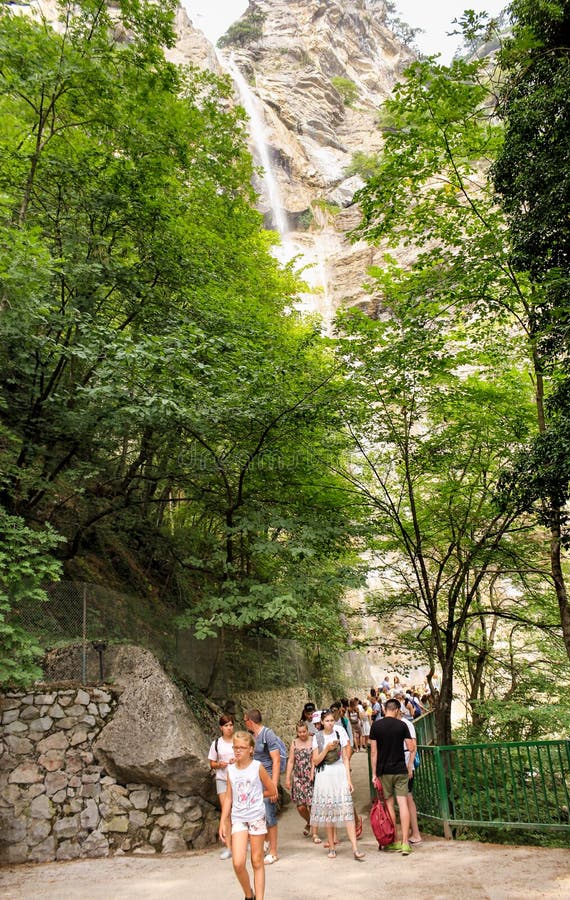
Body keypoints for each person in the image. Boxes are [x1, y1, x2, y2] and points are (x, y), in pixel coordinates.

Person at [219, 730, 278, 900]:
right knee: (238, 862)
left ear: (251, 749)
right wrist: (223, 821)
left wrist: (258, 795)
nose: (238, 751)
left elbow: (271, 790)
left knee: (257, 860)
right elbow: (229, 797)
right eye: (235, 747)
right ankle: (248, 894)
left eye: (242, 748)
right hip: (238, 818)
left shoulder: (257, 767)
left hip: (256, 817)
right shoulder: (231, 770)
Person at [310, 709, 365, 862]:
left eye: (332, 720)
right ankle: (332, 847)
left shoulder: (339, 734)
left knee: (346, 809)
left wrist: (349, 780)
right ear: (321, 722)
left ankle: (355, 848)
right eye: (327, 721)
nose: (330, 723)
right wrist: (327, 748)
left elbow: (346, 758)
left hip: (339, 772)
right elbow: (315, 761)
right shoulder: (317, 737)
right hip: (325, 775)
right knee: (329, 812)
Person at [369, 697, 415, 856]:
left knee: (389, 806)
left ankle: (394, 840)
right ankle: (405, 843)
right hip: (400, 770)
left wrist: (374, 774)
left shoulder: (375, 726)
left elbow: (373, 752)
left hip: (384, 771)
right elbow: (411, 747)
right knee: (403, 804)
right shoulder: (402, 725)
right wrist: (409, 767)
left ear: (384, 708)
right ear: (396, 710)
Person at [244, 708, 281, 864]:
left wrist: (273, 785)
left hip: (267, 780)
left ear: (250, 721)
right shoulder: (253, 736)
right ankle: (265, 844)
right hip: (256, 780)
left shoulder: (268, 734)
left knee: (269, 815)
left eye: (245, 720)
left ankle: (273, 851)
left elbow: (276, 760)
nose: (244, 723)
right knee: (259, 814)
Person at [285, 720, 321, 843]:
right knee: (301, 807)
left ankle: (315, 834)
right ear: (297, 732)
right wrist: (288, 778)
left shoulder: (313, 741)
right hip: (298, 778)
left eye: (304, 731)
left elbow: (314, 759)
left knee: (312, 805)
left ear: (307, 730)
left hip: (310, 777)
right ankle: (310, 822)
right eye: (299, 732)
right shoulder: (294, 743)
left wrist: (312, 772)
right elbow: (290, 761)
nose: (302, 734)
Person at [208, 714, 235, 859]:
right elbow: (211, 763)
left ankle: (247, 840)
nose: (229, 728)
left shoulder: (237, 741)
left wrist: (236, 759)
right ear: (221, 728)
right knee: (226, 813)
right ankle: (228, 848)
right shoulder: (216, 744)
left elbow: (248, 755)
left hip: (237, 780)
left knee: (240, 811)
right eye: (226, 725)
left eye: (231, 725)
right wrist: (220, 764)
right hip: (222, 779)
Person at [400, 711, 422, 844]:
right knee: (404, 799)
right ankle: (410, 831)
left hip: (406, 762)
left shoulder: (407, 724)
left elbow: (413, 746)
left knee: (408, 798)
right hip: (401, 763)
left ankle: (416, 833)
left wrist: (409, 765)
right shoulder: (399, 724)